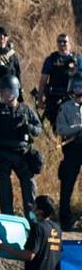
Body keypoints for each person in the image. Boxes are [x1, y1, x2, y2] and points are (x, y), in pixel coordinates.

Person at [0, 75, 42, 217]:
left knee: (29, 187)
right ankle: (7, 218)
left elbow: (38, 128)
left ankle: (31, 219)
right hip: (3, 155)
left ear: (15, 91)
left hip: (23, 154)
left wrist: (29, 127)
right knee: (4, 188)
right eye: (3, 91)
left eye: (8, 90)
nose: (5, 94)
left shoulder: (26, 110)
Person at [37, 34, 82, 130]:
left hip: (73, 97)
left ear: (69, 43)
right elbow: (43, 81)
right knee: (56, 126)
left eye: (64, 42)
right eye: (59, 41)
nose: (62, 44)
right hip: (54, 97)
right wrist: (40, 98)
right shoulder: (51, 59)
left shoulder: (77, 59)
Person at [56, 76, 82, 229]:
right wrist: (78, 129)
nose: (79, 89)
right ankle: (65, 220)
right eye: (76, 86)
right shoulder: (65, 107)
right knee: (67, 184)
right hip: (72, 149)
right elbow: (60, 129)